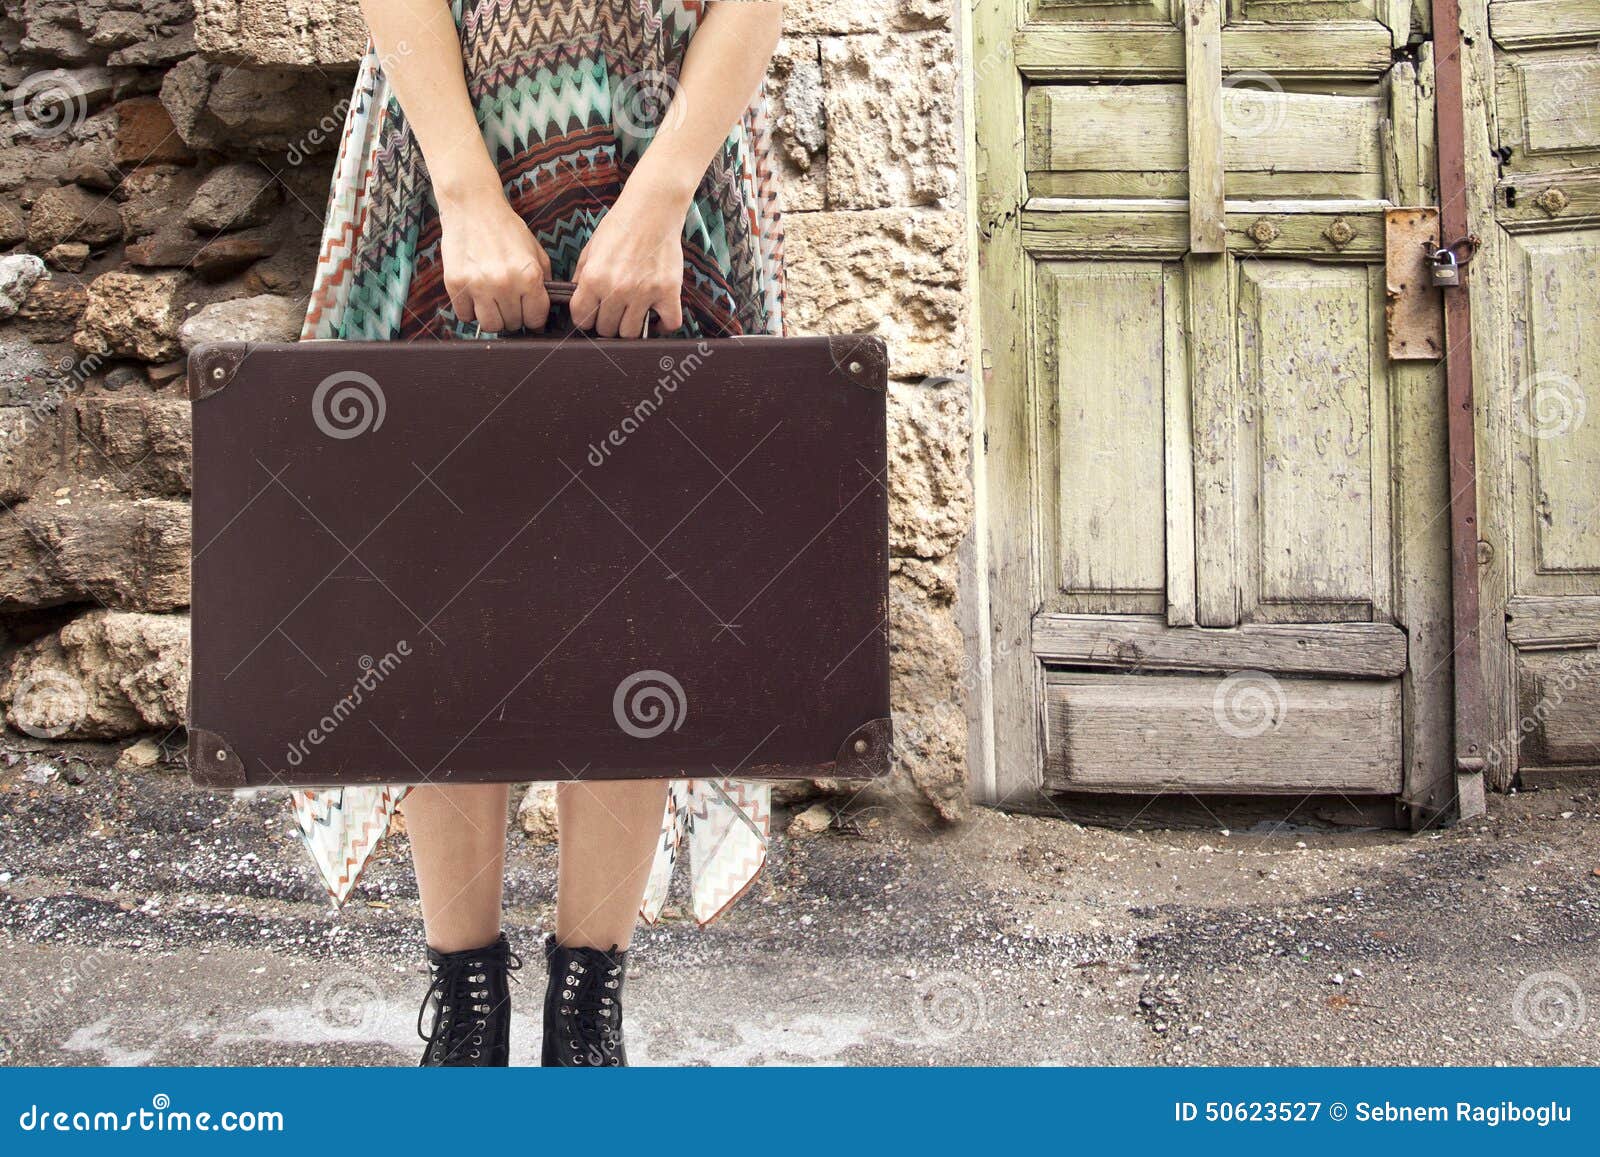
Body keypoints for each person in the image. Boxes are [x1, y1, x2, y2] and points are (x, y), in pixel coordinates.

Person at [295, 0, 786, 1066]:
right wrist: (464, 193)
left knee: (643, 597)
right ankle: (467, 1013)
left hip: (670, 134)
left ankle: (586, 1018)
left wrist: (662, 193)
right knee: (430, 587)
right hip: (448, 139)